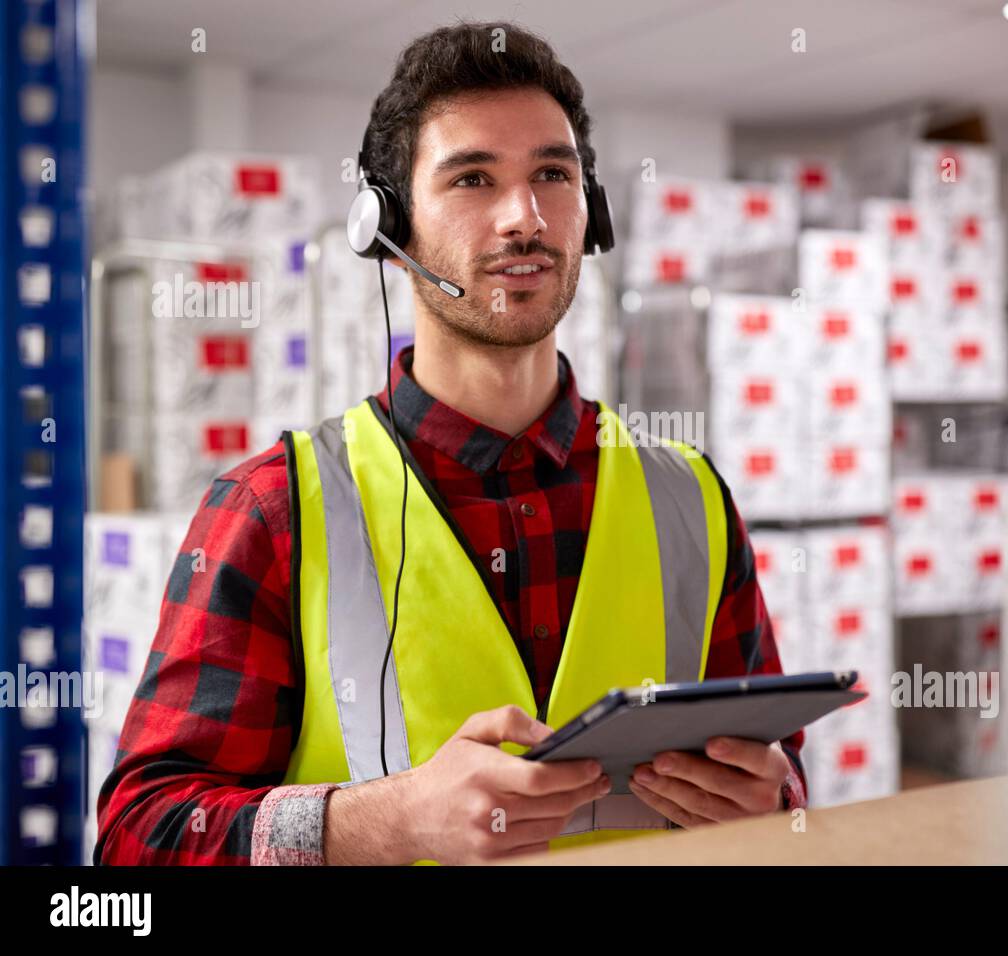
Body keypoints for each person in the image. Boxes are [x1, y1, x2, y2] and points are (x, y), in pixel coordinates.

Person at [95, 21, 805, 866]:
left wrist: (775, 799)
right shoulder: (273, 508)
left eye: (553, 174)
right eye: (473, 178)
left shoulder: (687, 498)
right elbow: (140, 839)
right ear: (387, 229)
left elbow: (778, 772)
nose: (525, 218)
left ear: (594, 213)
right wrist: (378, 824)